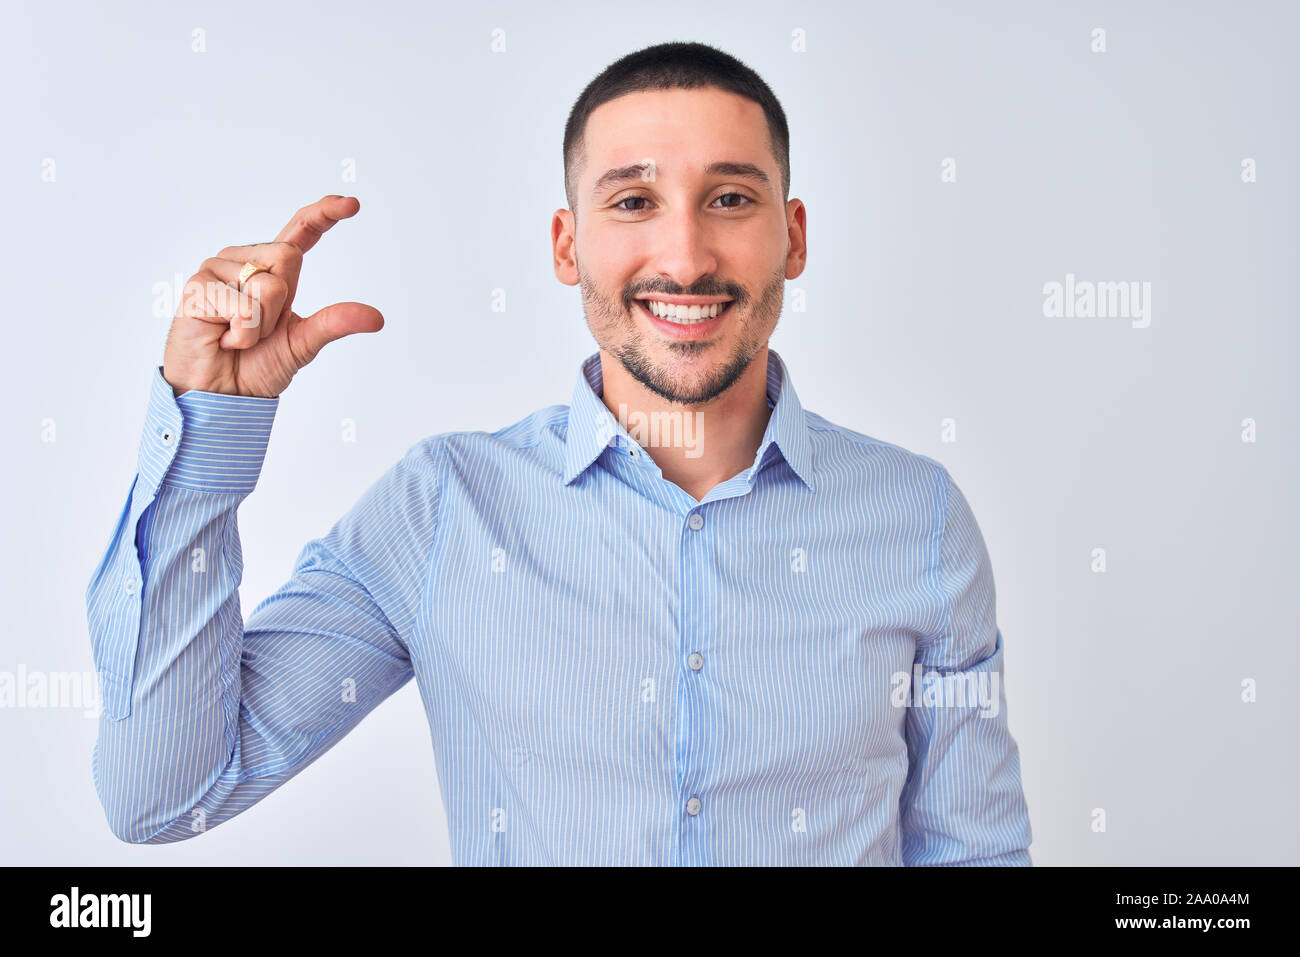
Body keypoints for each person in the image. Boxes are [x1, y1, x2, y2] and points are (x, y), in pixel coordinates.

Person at [86, 41, 1032, 865]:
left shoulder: (918, 519)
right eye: (634, 201)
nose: (686, 257)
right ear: (567, 245)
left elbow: (976, 853)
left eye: (729, 198)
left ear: (792, 237)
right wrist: (205, 430)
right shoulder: (443, 509)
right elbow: (164, 796)